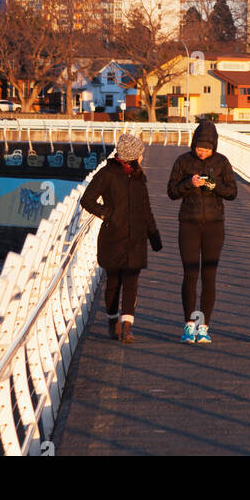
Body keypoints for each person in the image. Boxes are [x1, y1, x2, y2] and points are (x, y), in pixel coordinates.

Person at [80, 131, 162, 344]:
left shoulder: (138, 176)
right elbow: (87, 200)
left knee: (131, 282)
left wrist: (154, 235)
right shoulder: (107, 174)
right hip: (113, 236)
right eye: (140, 154)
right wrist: (107, 214)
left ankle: (127, 327)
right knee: (114, 282)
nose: (143, 158)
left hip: (136, 237)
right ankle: (112, 321)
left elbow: (146, 209)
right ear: (133, 155)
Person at [166, 118, 237, 344]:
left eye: (207, 148)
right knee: (190, 274)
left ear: (214, 146)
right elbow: (171, 192)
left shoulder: (222, 162)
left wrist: (212, 185)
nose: (202, 152)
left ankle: (204, 326)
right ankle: (189, 325)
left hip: (214, 225)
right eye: (199, 147)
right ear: (193, 144)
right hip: (188, 223)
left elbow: (232, 193)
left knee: (209, 276)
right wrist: (190, 183)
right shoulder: (183, 161)